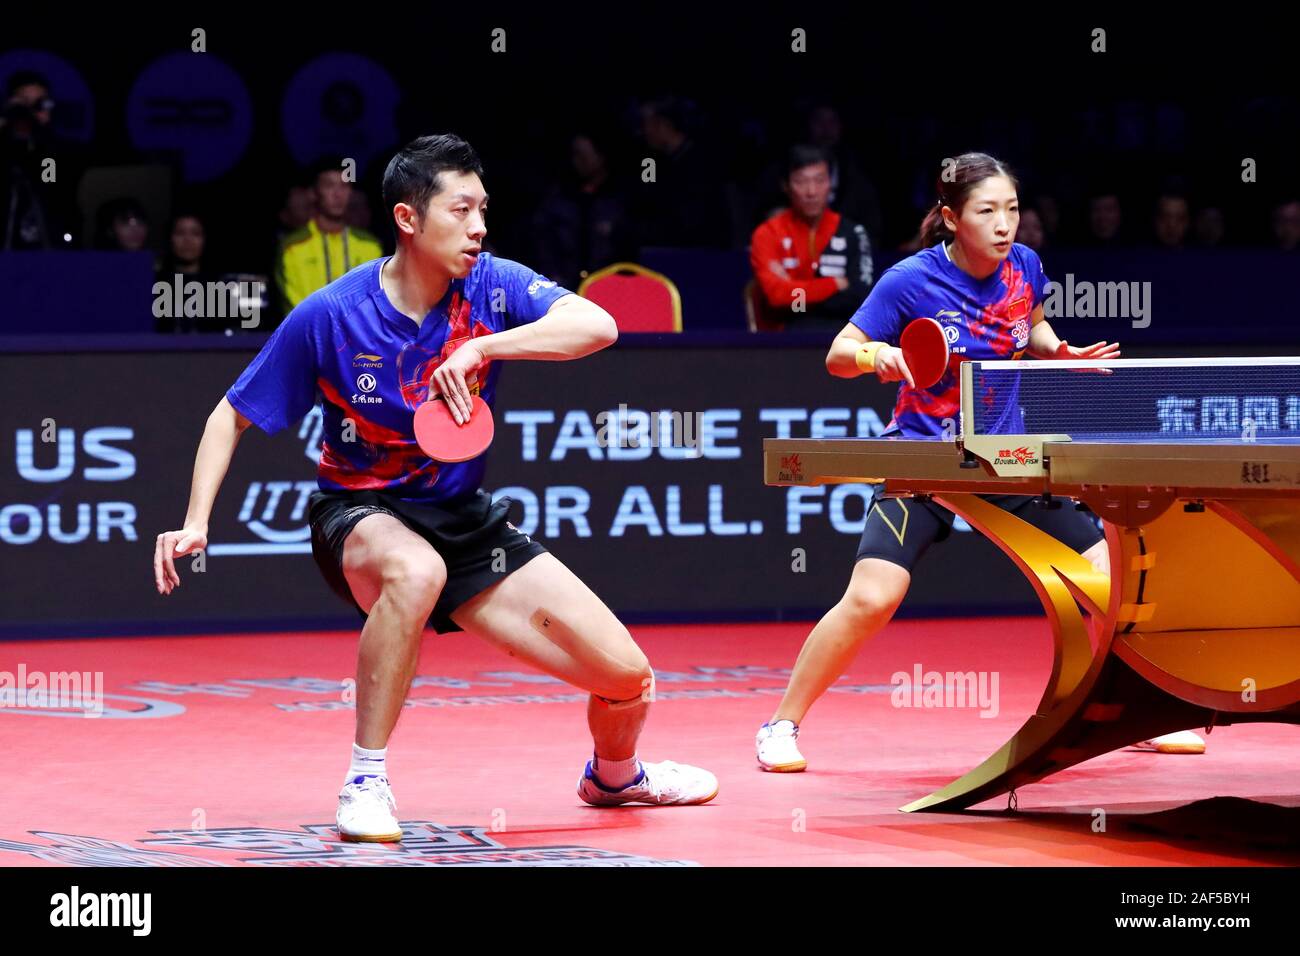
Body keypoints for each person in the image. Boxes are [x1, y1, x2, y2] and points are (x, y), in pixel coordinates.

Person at [153, 134, 718, 843]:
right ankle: (365, 778)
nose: (479, 226)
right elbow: (228, 415)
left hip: (463, 518)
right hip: (360, 510)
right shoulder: (332, 313)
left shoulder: (491, 285)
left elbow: (597, 325)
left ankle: (616, 776)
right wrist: (196, 520)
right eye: (462, 209)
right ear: (409, 219)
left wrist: (485, 345)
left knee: (627, 677)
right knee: (415, 570)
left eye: (484, 208)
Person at [755, 152, 1206, 772]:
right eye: (987, 211)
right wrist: (875, 357)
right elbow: (839, 353)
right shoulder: (909, 281)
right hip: (925, 457)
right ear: (950, 218)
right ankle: (780, 725)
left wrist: (1058, 353)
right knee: (873, 597)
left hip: (1005, 456)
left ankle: (1146, 715)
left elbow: (1035, 327)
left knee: (1112, 579)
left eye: (1012, 210)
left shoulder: (1025, 266)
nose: (1004, 225)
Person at [749, 144, 873, 332]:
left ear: (831, 184)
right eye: (801, 181)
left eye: (820, 180)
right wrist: (834, 283)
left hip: (843, 336)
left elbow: (860, 299)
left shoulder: (854, 233)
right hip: (785, 341)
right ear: (786, 186)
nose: (811, 192)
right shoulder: (768, 234)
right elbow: (777, 298)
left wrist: (796, 290)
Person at [275, 156, 384, 315]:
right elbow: (297, 312)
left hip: (359, 338)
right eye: (329, 185)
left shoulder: (370, 246)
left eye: (344, 186)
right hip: (311, 337)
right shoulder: (292, 248)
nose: (338, 194)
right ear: (314, 193)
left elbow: (374, 306)